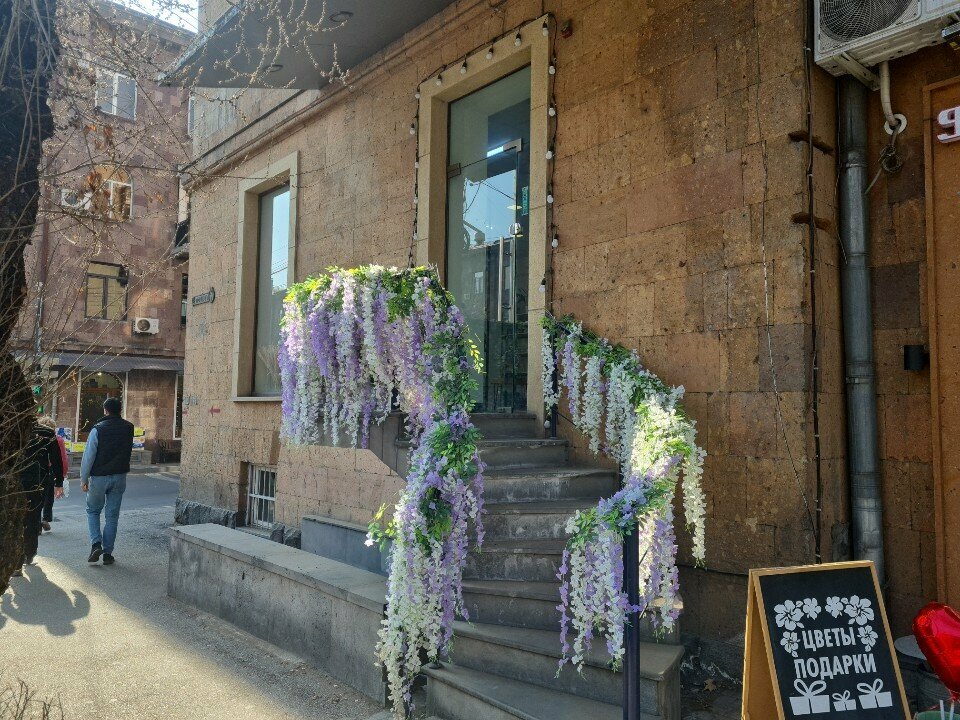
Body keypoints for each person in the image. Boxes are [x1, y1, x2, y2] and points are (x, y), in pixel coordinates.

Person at [80, 397, 134, 565]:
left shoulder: (98, 429)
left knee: (93, 510)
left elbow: (89, 456)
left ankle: (96, 544)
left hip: (99, 477)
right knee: (112, 517)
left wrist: (84, 478)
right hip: (119, 476)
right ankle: (108, 554)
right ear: (120, 410)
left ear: (105, 410)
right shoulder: (129, 428)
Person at [15, 418, 65, 576]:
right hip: (37, 481)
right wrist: (58, 482)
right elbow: (57, 461)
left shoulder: (12, 430)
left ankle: (17, 563)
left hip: (14, 482)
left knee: (16, 519)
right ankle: (29, 552)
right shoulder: (47, 432)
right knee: (32, 517)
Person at [37, 415, 69, 531]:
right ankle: (45, 518)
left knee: (36, 497)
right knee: (49, 496)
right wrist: (62, 475)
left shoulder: (36, 438)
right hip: (50, 471)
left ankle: (37, 522)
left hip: (37, 470)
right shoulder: (57, 439)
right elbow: (62, 458)